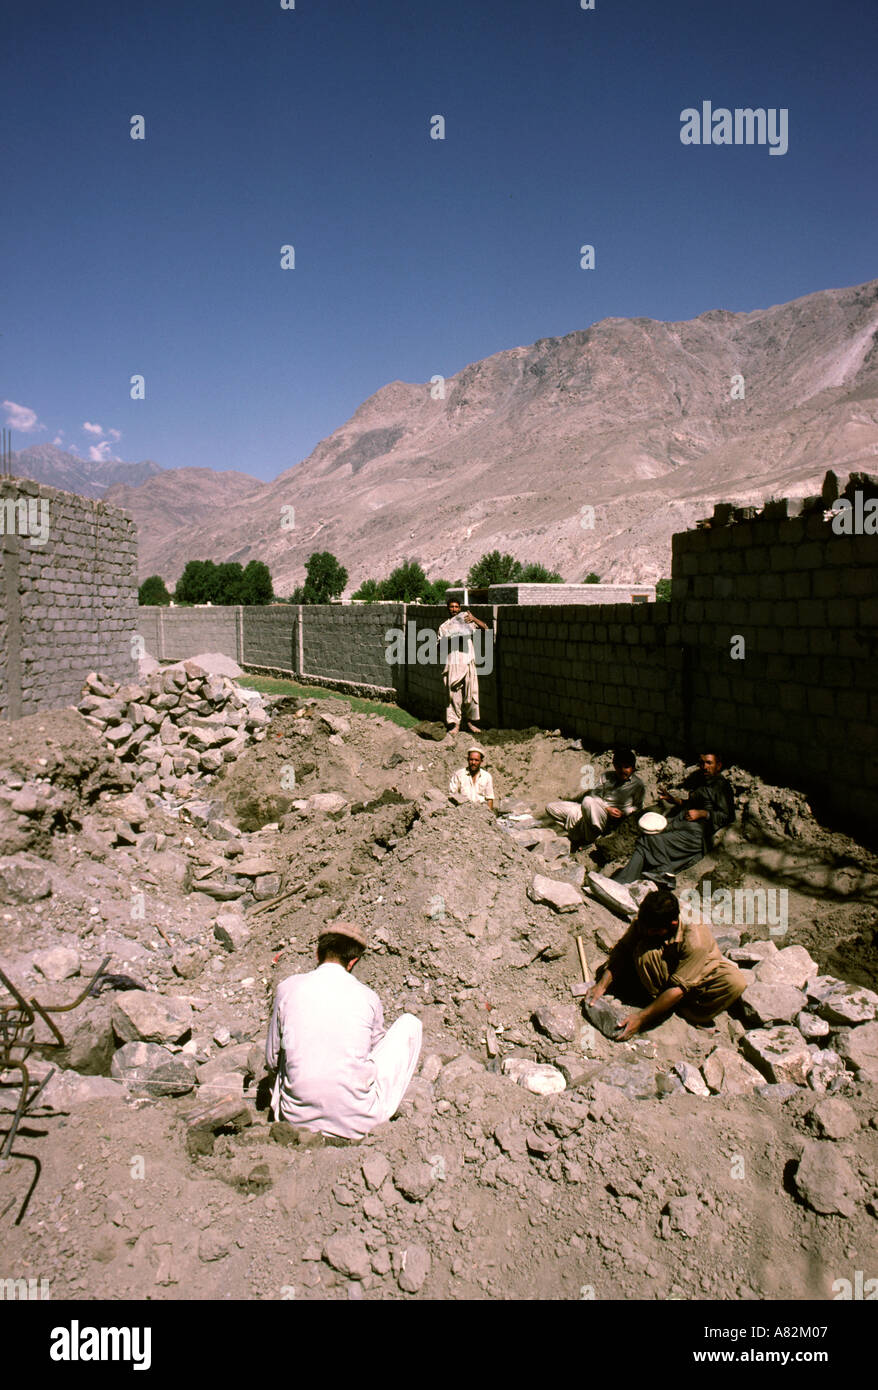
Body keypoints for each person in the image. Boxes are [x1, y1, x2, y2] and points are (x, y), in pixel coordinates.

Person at [265, 922, 422, 1140]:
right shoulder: (368, 997)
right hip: (358, 1123)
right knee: (410, 1023)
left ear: (317, 953)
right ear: (353, 962)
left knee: (287, 1046)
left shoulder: (287, 988)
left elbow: (272, 1060)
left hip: (295, 1118)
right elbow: (376, 1048)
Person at [585, 887, 748, 1036]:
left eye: (653, 931)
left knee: (735, 982)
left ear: (673, 924)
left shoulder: (695, 940)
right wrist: (602, 985)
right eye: (644, 927)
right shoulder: (649, 917)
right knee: (644, 953)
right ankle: (659, 1000)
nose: (645, 932)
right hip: (670, 966)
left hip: (700, 972)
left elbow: (678, 989)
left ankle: (689, 1012)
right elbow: (623, 948)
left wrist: (641, 1018)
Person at [610, 752, 734, 887]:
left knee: (648, 840)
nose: (704, 766)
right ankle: (623, 883)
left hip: (695, 834)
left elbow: (728, 816)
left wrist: (703, 814)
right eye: (702, 763)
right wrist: (672, 799)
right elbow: (691, 805)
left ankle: (664, 872)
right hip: (681, 824)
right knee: (645, 841)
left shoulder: (721, 786)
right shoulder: (703, 781)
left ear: (719, 766)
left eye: (709, 763)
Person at [546, 747, 645, 845]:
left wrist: (623, 813)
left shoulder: (637, 785)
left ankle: (590, 837)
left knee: (587, 801)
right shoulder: (606, 776)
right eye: (619, 767)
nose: (622, 770)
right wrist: (607, 808)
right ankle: (582, 832)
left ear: (632, 768)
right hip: (595, 809)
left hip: (608, 819)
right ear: (614, 766)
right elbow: (594, 794)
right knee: (551, 807)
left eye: (626, 767)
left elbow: (638, 807)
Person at [438, 597, 489, 735]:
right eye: (451, 607)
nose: (454, 609)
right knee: (453, 695)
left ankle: (471, 723)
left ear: (459, 608)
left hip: (467, 662)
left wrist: (474, 619)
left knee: (471, 693)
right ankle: (455, 724)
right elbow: (439, 647)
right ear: (447, 608)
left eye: (456, 607)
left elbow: (485, 628)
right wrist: (448, 639)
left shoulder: (467, 621)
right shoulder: (444, 627)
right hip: (453, 663)